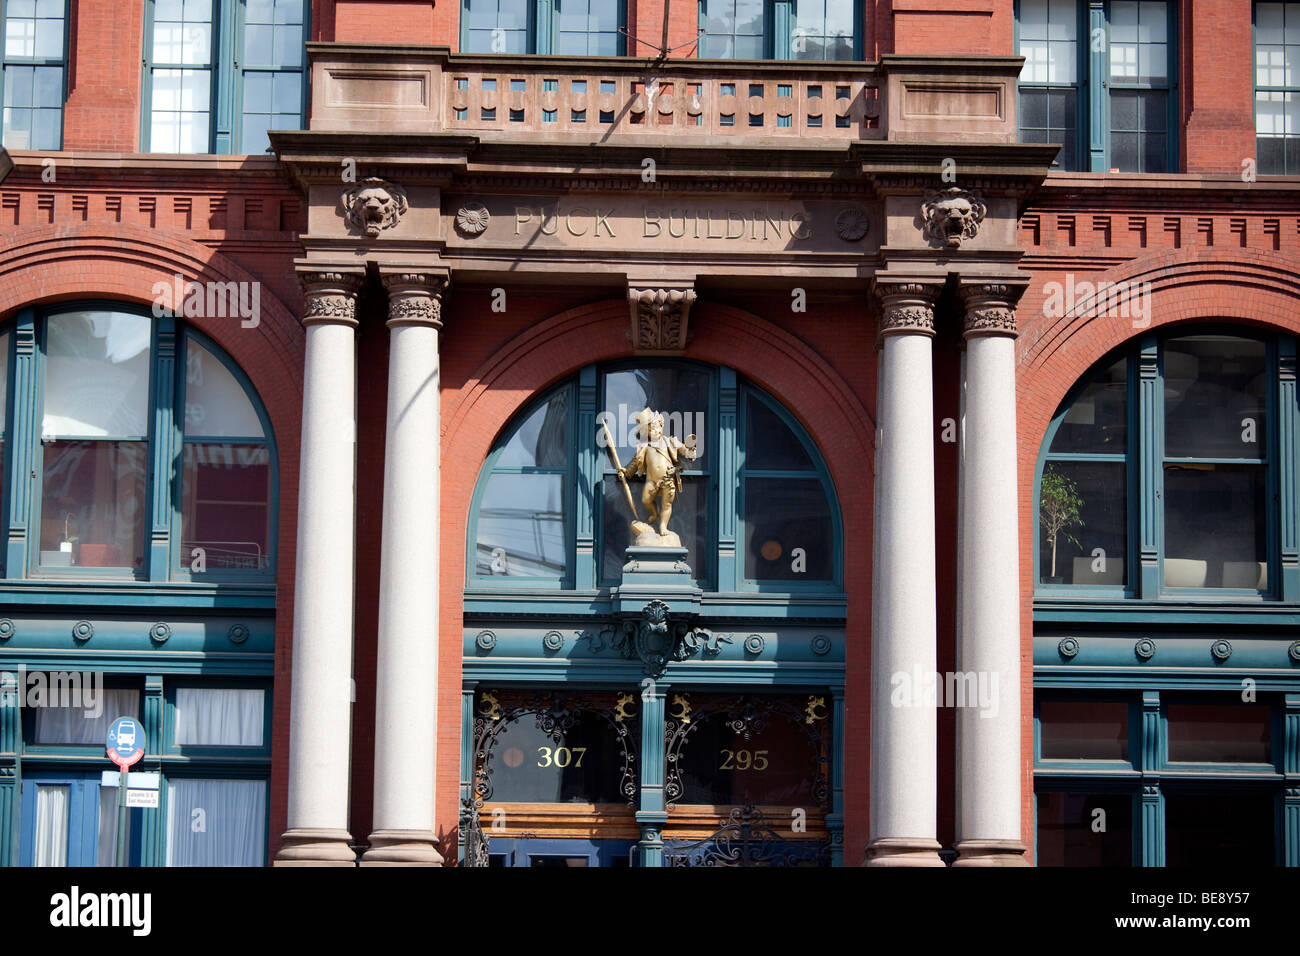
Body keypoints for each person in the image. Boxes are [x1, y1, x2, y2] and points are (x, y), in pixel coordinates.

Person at [619, 407, 698, 539]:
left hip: (668, 478)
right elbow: (634, 462)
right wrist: (626, 472)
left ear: (661, 426)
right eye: (651, 429)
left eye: (657, 427)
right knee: (646, 499)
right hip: (651, 480)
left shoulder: (670, 442)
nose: (655, 431)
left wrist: (690, 450)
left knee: (667, 504)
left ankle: (663, 525)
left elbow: (685, 450)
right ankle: (654, 514)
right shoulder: (644, 446)